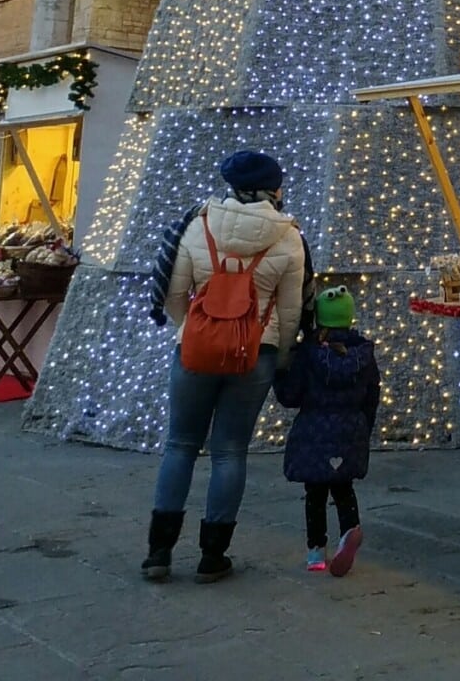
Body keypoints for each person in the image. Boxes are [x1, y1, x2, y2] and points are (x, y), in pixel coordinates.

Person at [143, 149, 306, 585]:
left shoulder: (198, 224)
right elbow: (290, 311)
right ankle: (212, 556)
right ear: (273, 190)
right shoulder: (288, 237)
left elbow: (176, 294)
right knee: (229, 451)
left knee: (179, 445)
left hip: (194, 350)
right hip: (256, 352)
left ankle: (159, 552)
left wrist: (195, 330)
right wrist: (282, 353)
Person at [275, 285, 379, 577]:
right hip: (351, 428)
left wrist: (279, 375)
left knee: (315, 493)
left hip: (314, 430)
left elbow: (291, 396)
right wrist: (364, 426)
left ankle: (316, 552)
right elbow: (372, 395)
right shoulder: (363, 355)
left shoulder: (308, 355)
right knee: (344, 488)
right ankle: (349, 531)